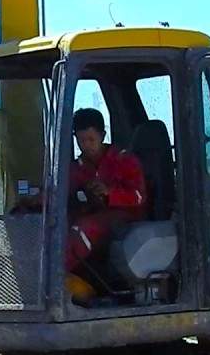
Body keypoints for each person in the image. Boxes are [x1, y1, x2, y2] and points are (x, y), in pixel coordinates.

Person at [63, 108, 148, 302]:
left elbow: (139, 196)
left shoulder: (125, 161)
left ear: (102, 135)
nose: (86, 146)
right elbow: (64, 190)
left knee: (81, 230)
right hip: (94, 215)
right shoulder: (78, 167)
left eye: (91, 140)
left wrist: (109, 193)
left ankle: (54, 275)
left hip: (125, 218)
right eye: (81, 140)